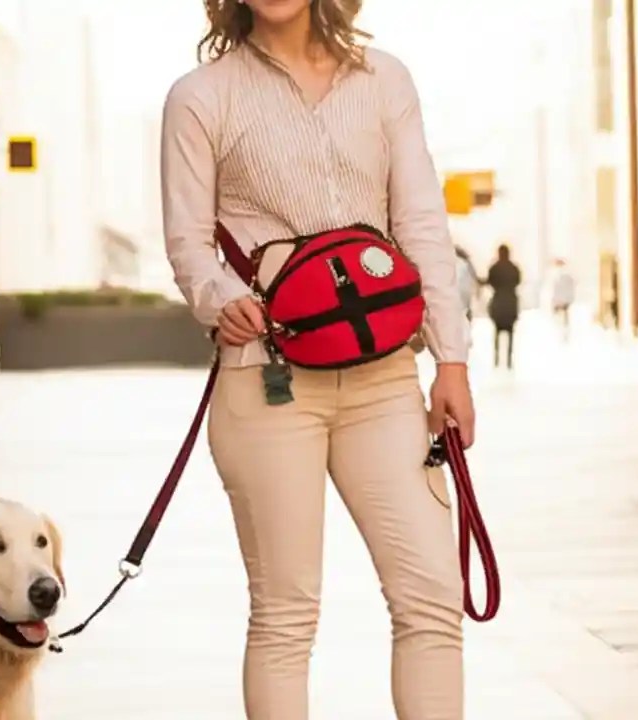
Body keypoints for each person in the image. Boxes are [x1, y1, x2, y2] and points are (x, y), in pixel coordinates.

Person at [161, 1, 474, 718]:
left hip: (386, 378)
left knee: (432, 598)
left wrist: (450, 362)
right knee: (285, 615)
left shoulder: (384, 81)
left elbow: (422, 224)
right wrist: (218, 296)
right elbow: (187, 241)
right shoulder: (200, 97)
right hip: (267, 379)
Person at [486, 244, 520, 369]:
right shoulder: (514, 268)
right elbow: (518, 281)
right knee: (510, 332)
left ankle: (496, 359)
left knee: (497, 331)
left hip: (498, 302)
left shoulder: (494, 268)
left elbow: (490, 281)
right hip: (510, 302)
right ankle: (509, 359)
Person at [550, 258, 575, 341]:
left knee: (563, 318)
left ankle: (563, 334)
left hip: (562, 300)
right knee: (561, 318)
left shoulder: (564, 275)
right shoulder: (556, 275)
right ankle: (562, 334)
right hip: (560, 300)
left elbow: (569, 288)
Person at [455, 245, 479, 322]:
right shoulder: (467, 263)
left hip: (460, 294)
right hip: (464, 294)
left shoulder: (460, 263)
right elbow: (474, 277)